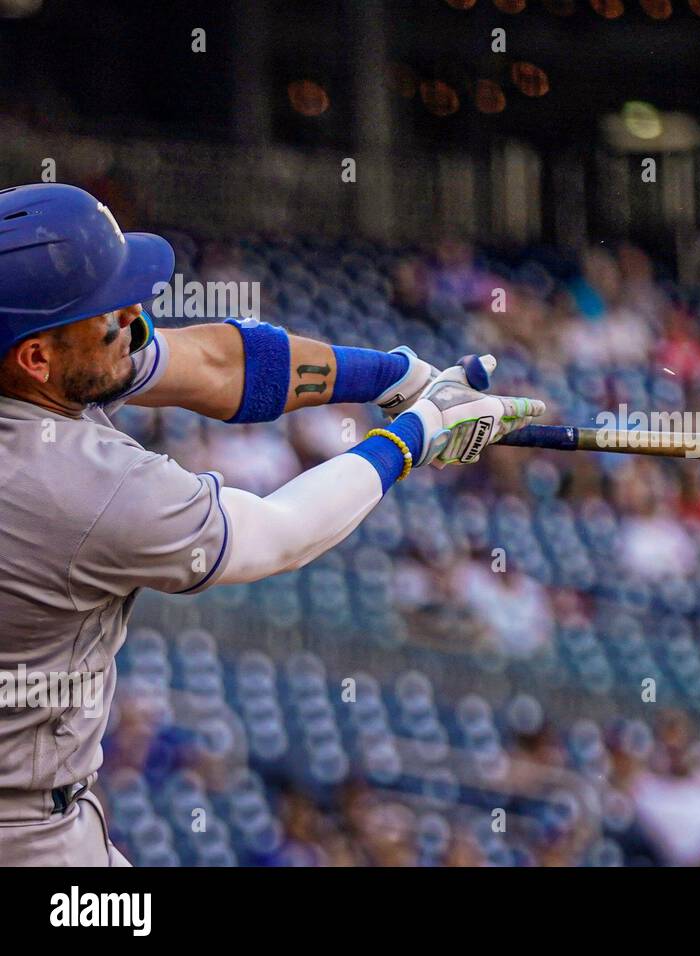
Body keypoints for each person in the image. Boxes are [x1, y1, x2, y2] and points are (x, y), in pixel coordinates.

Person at [0, 183, 545, 865]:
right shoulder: (77, 484)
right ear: (37, 357)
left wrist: (398, 376)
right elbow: (280, 534)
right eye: (108, 313)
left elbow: (221, 362)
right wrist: (414, 435)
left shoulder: (38, 360)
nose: (134, 317)